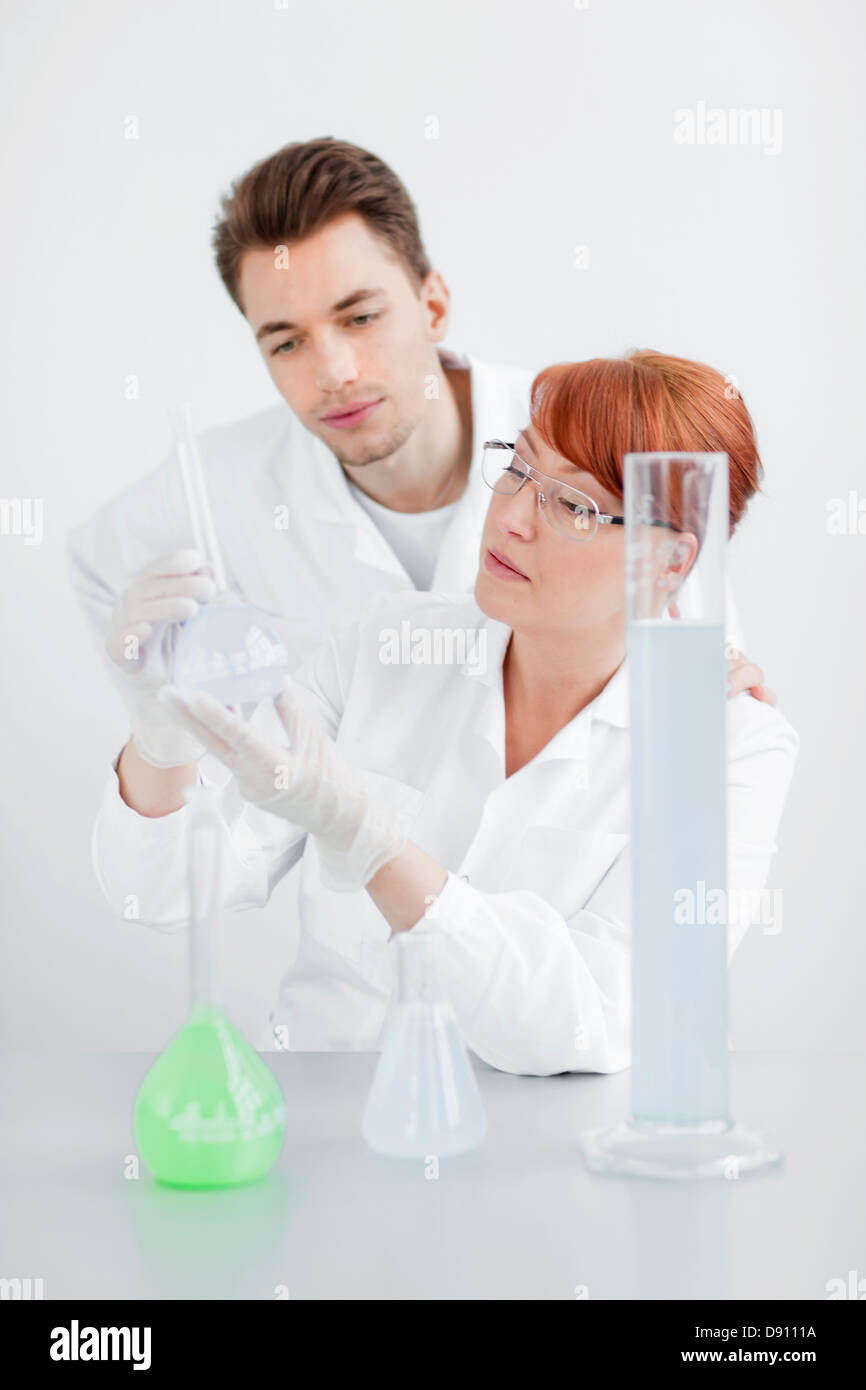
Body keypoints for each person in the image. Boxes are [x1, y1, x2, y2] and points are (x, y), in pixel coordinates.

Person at [91, 350, 799, 1075]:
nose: (513, 518)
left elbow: (598, 1019)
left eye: (573, 504)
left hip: (547, 1169)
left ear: (670, 562)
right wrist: (161, 738)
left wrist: (371, 841)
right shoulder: (383, 648)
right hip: (322, 1138)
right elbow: (162, 892)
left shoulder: (729, 746)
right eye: (519, 469)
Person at [67, 136, 768, 777]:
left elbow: (704, 678)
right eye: (286, 342)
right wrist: (160, 724)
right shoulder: (217, 488)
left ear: (433, 305)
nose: (334, 371)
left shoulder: (581, 432)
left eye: (360, 317)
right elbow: (99, 564)